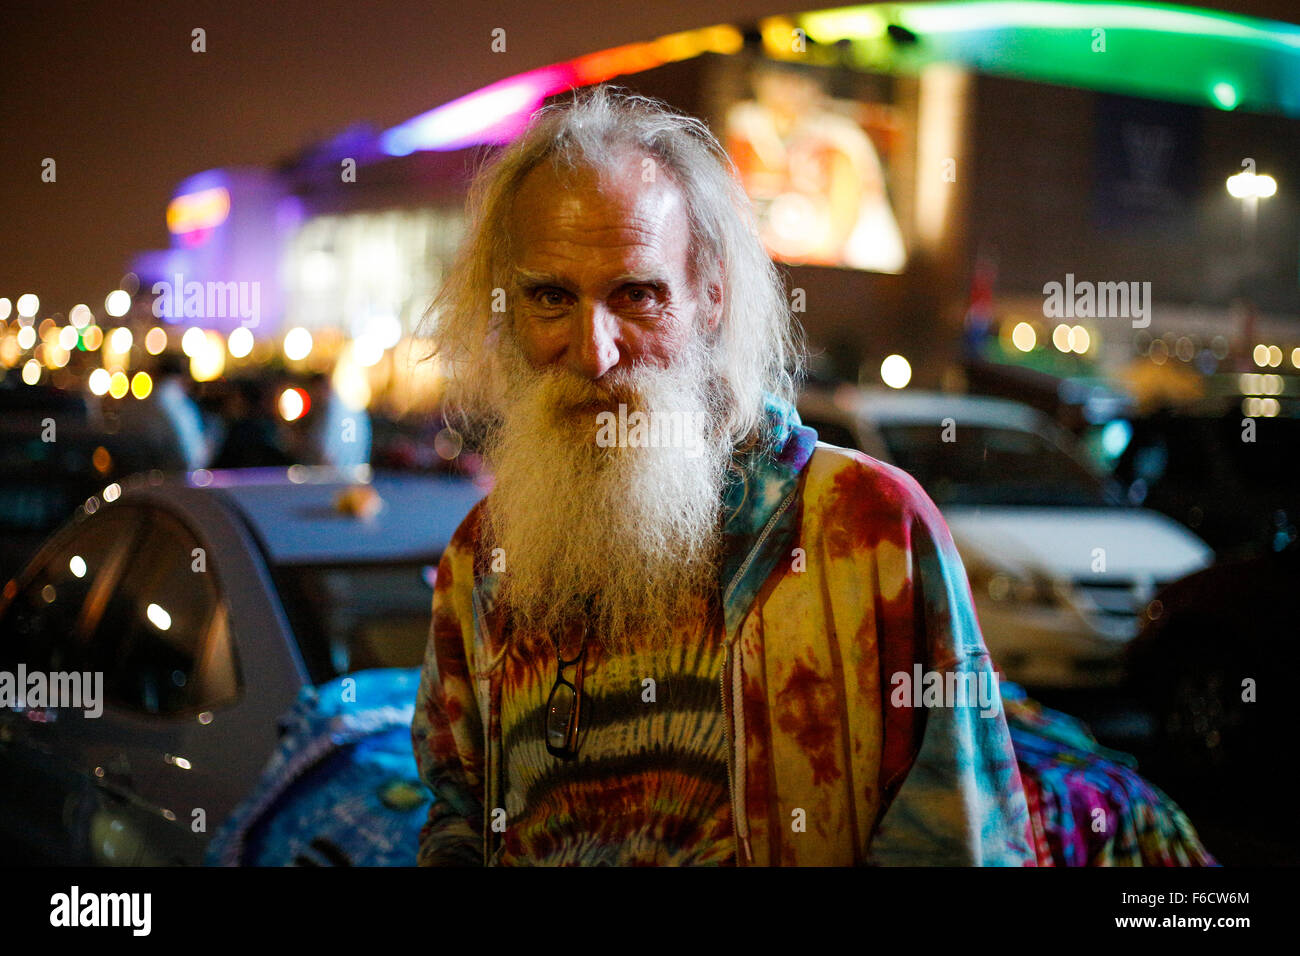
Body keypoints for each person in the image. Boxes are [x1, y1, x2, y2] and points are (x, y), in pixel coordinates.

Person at [411, 86, 1034, 866]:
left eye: (636, 294)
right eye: (550, 297)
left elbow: (962, 842)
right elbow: (457, 817)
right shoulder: (482, 560)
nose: (593, 351)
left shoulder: (871, 530)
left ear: (710, 296)